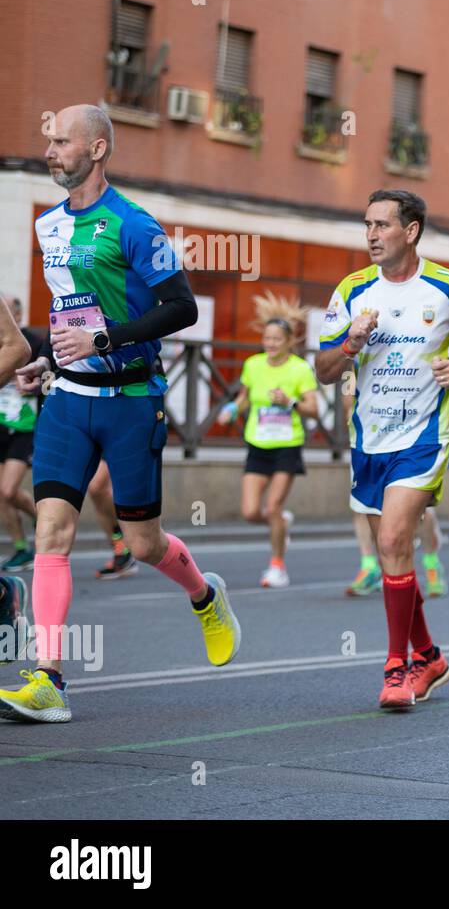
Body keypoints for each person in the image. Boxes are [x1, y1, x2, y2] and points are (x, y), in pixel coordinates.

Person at [0, 104, 239, 724]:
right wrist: (46, 356)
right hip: (67, 400)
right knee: (54, 531)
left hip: (133, 401)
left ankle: (205, 594)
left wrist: (107, 341)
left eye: (61, 142)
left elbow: (181, 308)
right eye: (47, 140)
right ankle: (47, 678)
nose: (49, 151)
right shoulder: (49, 224)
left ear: (98, 149)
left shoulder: (135, 225)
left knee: (142, 541)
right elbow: (72, 312)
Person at [316, 188, 449, 709]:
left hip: (424, 435)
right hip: (369, 439)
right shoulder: (352, 291)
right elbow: (324, 371)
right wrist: (350, 343)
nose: (371, 235)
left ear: (411, 230)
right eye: (366, 225)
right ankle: (431, 658)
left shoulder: (448, 287)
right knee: (391, 554)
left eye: (382, 225)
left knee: (396, 538)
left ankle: (397, 668)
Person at [217, 293, 319, 588]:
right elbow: (244, 399)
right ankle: (281, 524)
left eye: (276, 339)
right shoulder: (253, 365)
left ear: (289, 342)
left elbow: (313, 409)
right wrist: (231, 410)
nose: (270, 344)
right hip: (258, 445)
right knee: (250, 511)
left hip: (287, 446)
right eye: (267, 338)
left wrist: (290, 401)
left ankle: (277, 567)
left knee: (272, 506)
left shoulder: (299, 369)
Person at [0, 296, 42, 573]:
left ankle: (48, 522)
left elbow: (51, 377)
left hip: (25, 427)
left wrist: (35, 383)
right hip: (1, 425)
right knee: (1, 495)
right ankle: (20, 548)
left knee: (8, 489)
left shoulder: (29, 342)